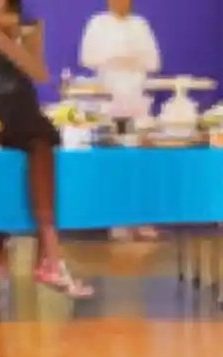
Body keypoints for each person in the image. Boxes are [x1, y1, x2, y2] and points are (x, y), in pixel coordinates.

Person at [0, 0, 94, 297]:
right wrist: (1, 37)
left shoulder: (28, 23)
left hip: (22, 105)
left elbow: (39, 73)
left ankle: (50, 255)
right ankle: (1, 263)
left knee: (42, 145)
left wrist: (5, 39)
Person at [79, 0, 161, 241]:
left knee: (141, 164)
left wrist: (132, 59)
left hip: (137, 104)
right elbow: (87, 57)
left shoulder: (140, 25)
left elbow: (154, 61)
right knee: (116, 162)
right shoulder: (98, 23)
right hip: (111, 104)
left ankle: (142, 218)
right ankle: (117, 219)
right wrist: (115, 57)